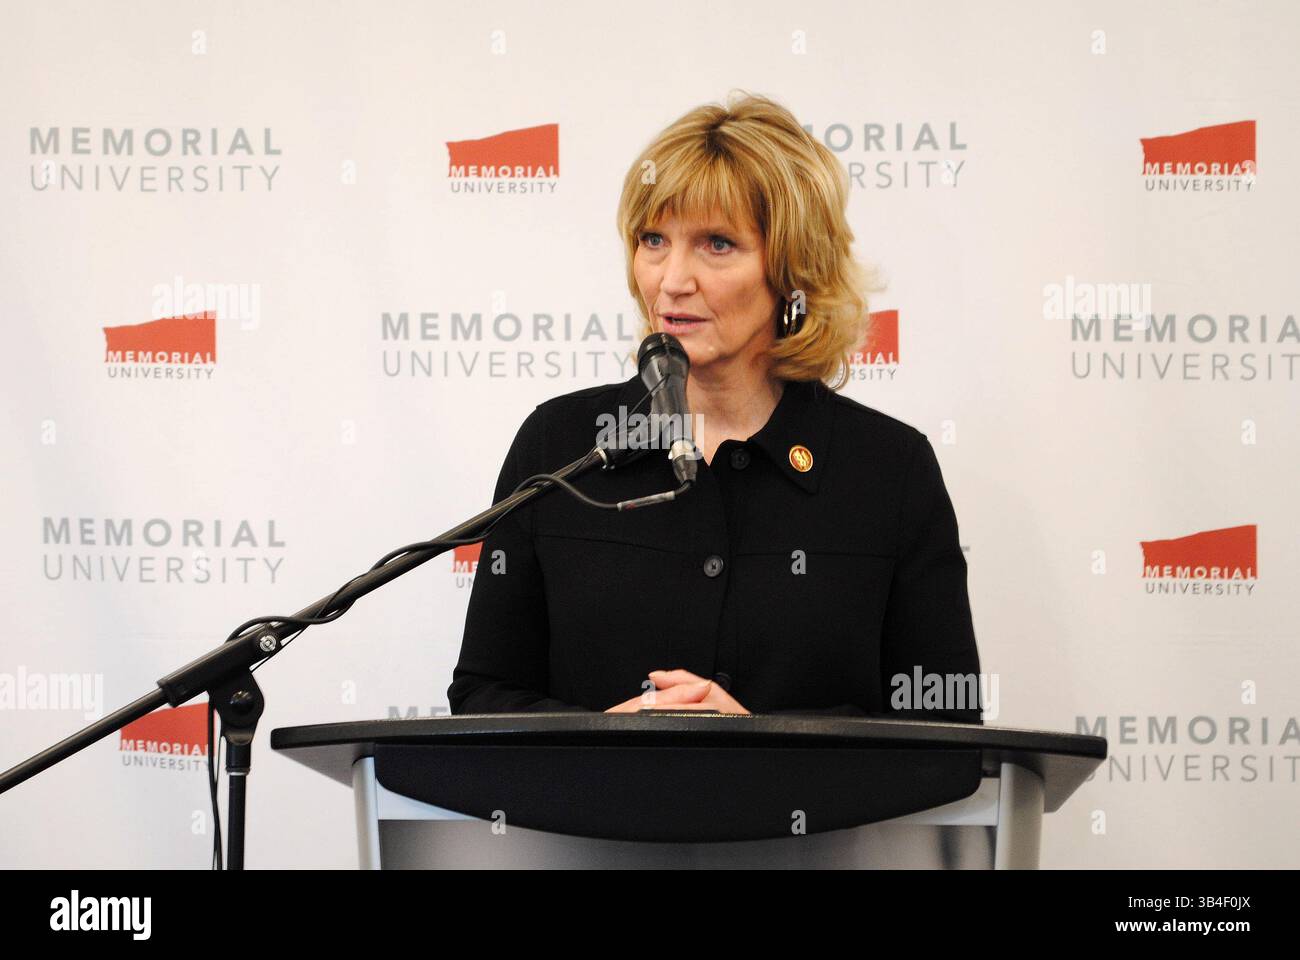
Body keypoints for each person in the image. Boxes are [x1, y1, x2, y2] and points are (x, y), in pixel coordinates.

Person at [448, 91, 982, 722]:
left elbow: (945, 728)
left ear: (792, 270)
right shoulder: (560, 442)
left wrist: (761, 746)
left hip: (818, 826)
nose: (672, 279)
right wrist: (603, 738)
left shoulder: (889, 469)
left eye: (717, 244)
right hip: (593, 821)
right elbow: (483, 696)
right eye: (654, 240)